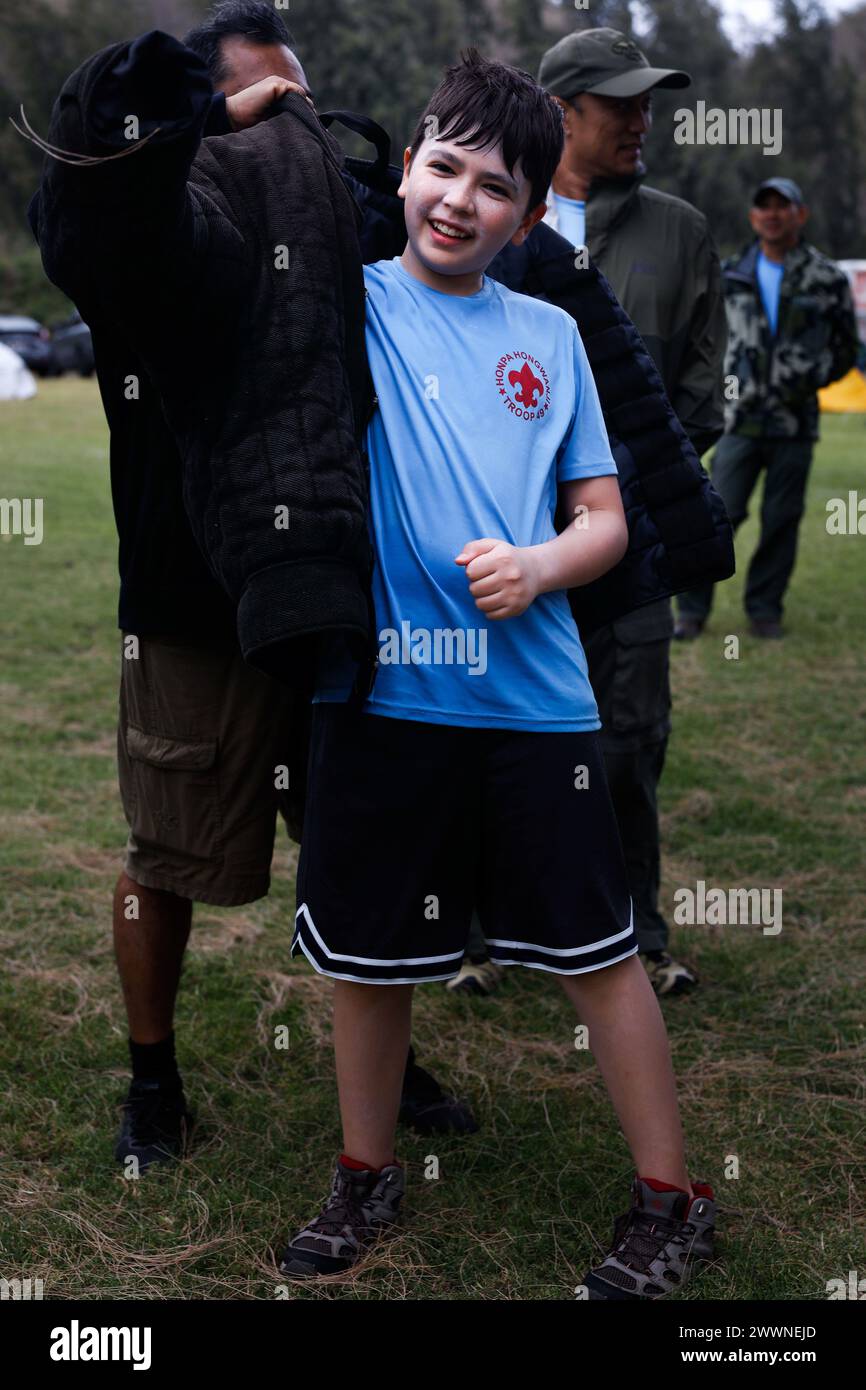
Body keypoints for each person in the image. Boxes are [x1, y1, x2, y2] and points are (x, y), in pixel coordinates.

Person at [279, 50, 717, 1299]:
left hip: (534, 707)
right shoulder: (342, 301)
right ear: (408, 165)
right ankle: (365, 1173)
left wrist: (537, 567)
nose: (458, 201)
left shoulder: (550, 334)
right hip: (384, 699)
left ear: (530, 215)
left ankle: (670, 1197)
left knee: (600, 952)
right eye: (441, 167)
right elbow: (230, 213)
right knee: (367, 960)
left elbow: (606, 518)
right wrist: (258, 101)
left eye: (492, 187)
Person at [27, 0, 477, 1173]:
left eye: (305, 106)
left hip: (334, 590)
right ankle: (152, 1083)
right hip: (187, 603)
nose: (295, 131)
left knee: (358, 846)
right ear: (207, 114)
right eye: (265, 107)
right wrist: (197, 118)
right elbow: (83, 199)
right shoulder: (147, 226)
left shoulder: (340, 222)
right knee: (165, 855)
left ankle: (388, 1055)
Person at [454, 27, 728, 1000]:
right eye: (621, 103)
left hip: (632, 532)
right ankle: (481, 936)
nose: (640, 119)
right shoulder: (489, 217)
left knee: (627, 735)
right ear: (562, 110)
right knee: (494, 728)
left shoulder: (680, 230)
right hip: (506, 534)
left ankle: (634, 931)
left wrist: (634, 479)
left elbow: (703, 380)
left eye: (648, 102)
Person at [676, 177, 859, 640]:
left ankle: (764, 611)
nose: (773, 214)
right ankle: (692, 612)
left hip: (795, 423)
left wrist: (810, 377)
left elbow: (844, 347)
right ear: (753, 216)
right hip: (738, 421)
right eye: (764, 206)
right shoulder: (731, 271)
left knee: (782, 520)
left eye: (783, 206)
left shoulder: (825, 278)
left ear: (800, 214)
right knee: (717, 514)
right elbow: (707, 338)